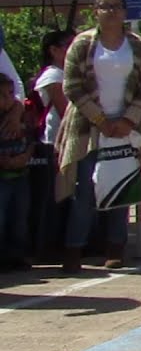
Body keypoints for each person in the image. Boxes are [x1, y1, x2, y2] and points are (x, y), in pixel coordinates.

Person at [55, 0, 141, 273]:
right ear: (95, 11)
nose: (111, 11)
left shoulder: (138, 45)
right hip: (88, 126)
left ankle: (116, 248)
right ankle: (74, 249)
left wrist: (127, 120)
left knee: (120, 188)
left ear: (125, 11)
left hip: (126, 126)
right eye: (105, 6)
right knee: (85, 191)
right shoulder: (82, 43)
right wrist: (100, 119)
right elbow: (72, 86)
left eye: (116, 6)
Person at [29, 29, 74, 258]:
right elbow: (65, 111)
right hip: (54, 142)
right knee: (56, 195)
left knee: (67, 195)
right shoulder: (53, 75)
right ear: (54, 50)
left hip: (70, 141)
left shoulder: (70, 73)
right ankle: (50, 244)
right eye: (68, 45)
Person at [0, 73, 34, 270]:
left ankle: (17, 255)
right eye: (2, 95)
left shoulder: (20, 117)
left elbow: (31, 141)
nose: (8, 99)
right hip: (2, 177)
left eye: (11, 93)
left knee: (20, 217)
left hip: (21, 175)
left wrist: (24, 157)